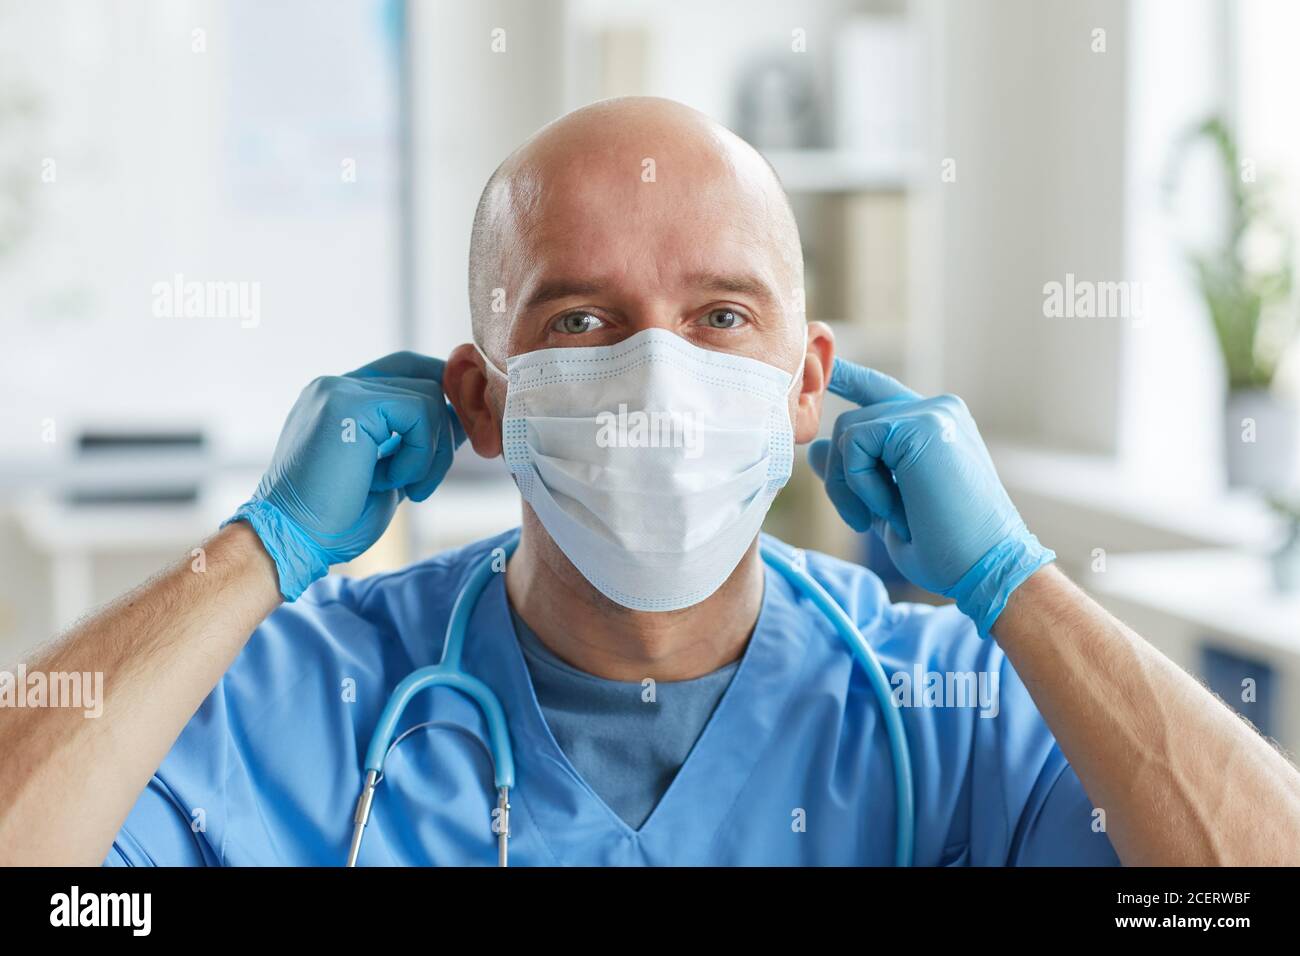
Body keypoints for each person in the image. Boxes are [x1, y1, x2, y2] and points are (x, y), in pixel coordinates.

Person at [3, 97, 1298, 866]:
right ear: (480, 400)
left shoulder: (950, 709)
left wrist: (1018, 586)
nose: (659, 379)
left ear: (810, 384)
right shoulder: (305, 700)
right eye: (580, 322)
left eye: (723, 315)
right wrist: (257, 551)